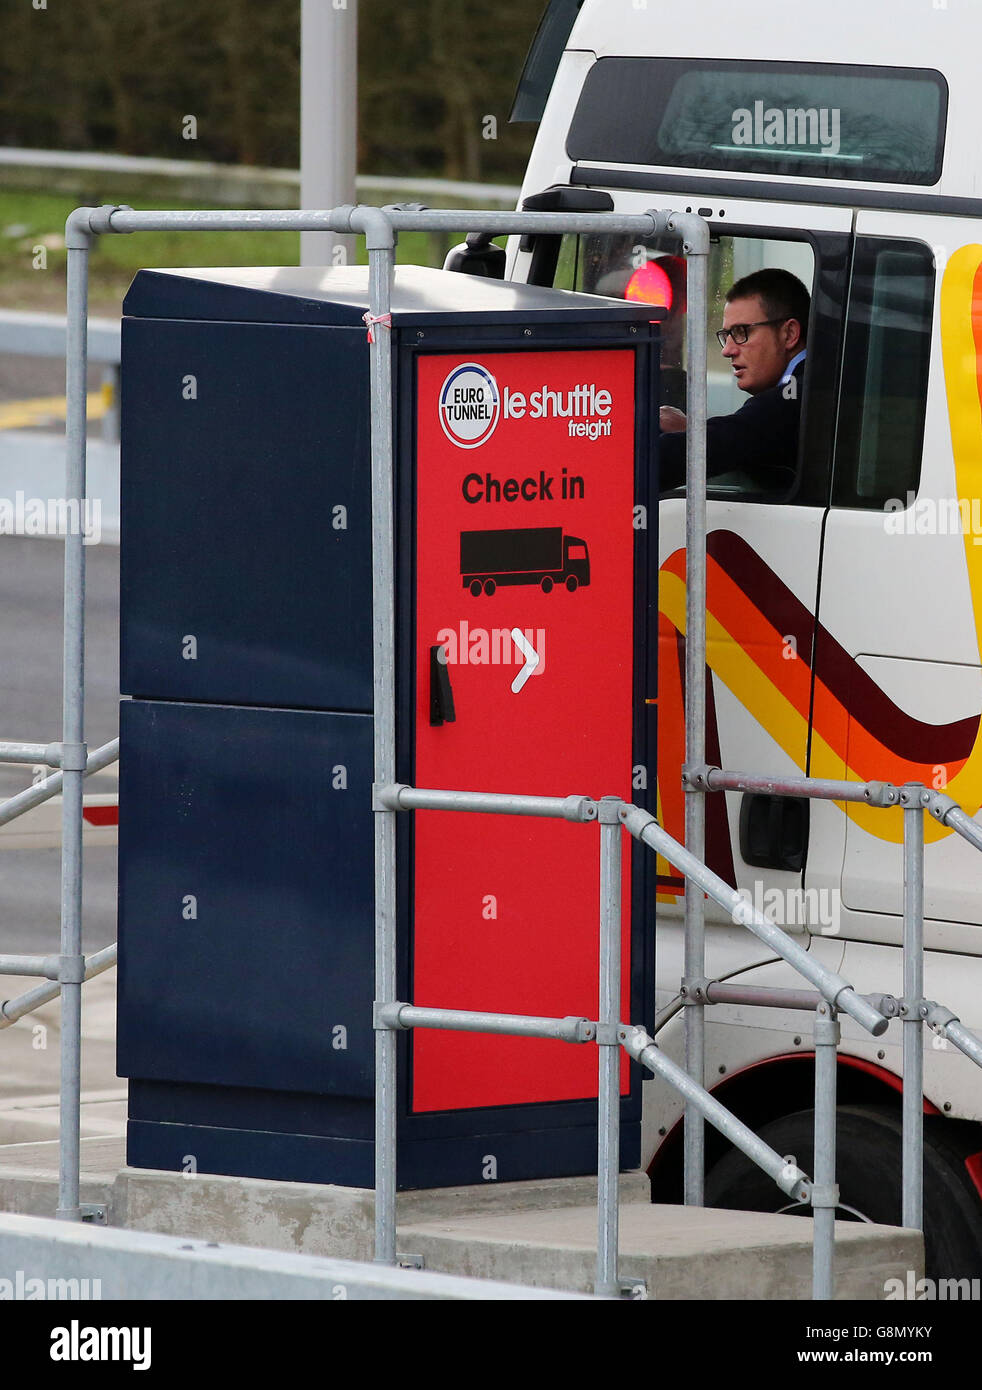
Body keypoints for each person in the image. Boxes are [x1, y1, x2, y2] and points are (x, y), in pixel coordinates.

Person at [658, 268, 810, 494]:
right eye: (726, 336)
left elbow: (722, 444)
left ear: (789, 334)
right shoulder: (807, 384)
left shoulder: (790, 401)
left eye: (741, 332)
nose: (727, 350)